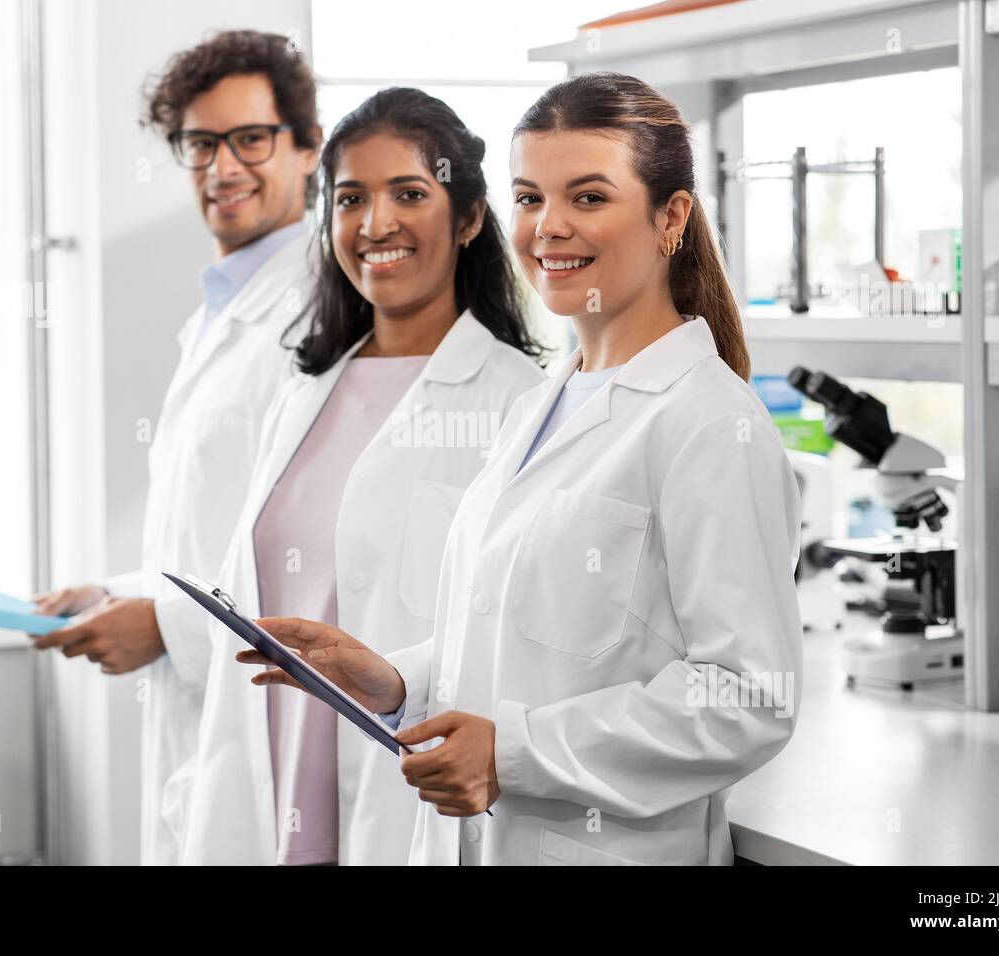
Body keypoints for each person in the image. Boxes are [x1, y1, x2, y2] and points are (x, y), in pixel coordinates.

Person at [238, 72, 804, 866]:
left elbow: (748, 698)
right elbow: (514, 636)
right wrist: (393, 681)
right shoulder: (542, 405)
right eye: (531, 198)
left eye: (590, 197)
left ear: (670, 216)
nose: (550, 228)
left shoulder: (709, 423)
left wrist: (512, 754)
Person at [174, 88, 546, 865]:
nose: (376, 224)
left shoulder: (520, 400)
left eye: (409, 193)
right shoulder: (303, 392)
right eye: (350, 200)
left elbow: (526, 639)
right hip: (268, 793)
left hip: (406, 802)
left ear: (471, 218)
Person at [31, 31, 321, 865]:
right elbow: (211, 530)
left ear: (307, 149)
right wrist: (116, 591)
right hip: (206, 720)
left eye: (251, 139)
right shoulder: (220, 312)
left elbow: (309, 555)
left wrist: (163, 625)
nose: (223, 167)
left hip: (272, 728)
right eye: (200, 144)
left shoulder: (319, 317)